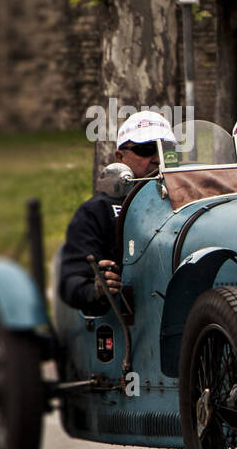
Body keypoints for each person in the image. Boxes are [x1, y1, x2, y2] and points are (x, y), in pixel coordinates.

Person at [58, 110, 175, 314]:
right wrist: (97, 288)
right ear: (121, 157)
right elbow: (70, 281)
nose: (158, 158)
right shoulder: (96, 211)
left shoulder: (192, 200)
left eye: (166, 149)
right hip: (129, 319)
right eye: (146, 149)